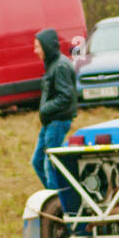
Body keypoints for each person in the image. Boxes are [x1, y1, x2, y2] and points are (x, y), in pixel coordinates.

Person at [31, 28, 77, 190]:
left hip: (57, 122)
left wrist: (45, 110)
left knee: (50, 165)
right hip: (50, 122)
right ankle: (54, 197)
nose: (35, 51)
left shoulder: (60, 67)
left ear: (47, 47)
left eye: (38, 47)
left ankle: (58, 203)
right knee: (37, 161)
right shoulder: (52, 65)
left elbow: (66, 97)